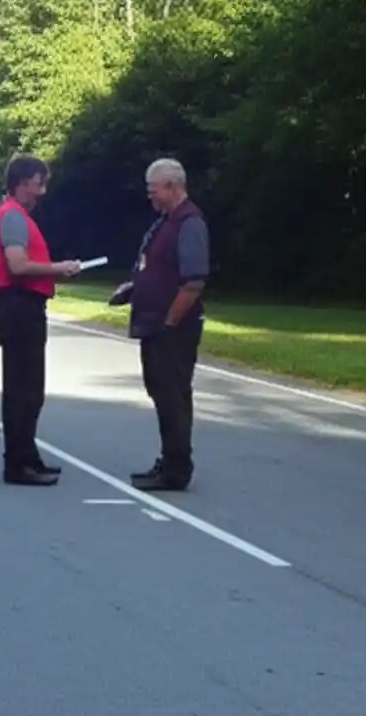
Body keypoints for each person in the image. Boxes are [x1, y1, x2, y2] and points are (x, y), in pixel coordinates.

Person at [110, 158, 210, 491]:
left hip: (173, 328)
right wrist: (134, 288)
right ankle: (169, 459)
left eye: (154, 190)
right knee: (160, 392)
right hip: (153, 323)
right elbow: (155, 267)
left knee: (173, 395)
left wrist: (169, 322)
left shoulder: (189, 223)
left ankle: (177, 467)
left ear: (171, 186)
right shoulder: (165, 222)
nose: (150, 197)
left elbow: (193, 282)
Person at [0, 154, 81, 486]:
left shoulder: (18, 216)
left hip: (24, 306)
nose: (42, 191)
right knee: (22, 389)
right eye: (39, 184)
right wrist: (59, 268)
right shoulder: (13, 217)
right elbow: (18, 265)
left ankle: (28, 456)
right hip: (19, 306)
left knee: (31, 388)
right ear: (22, 183)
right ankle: (17, 463)